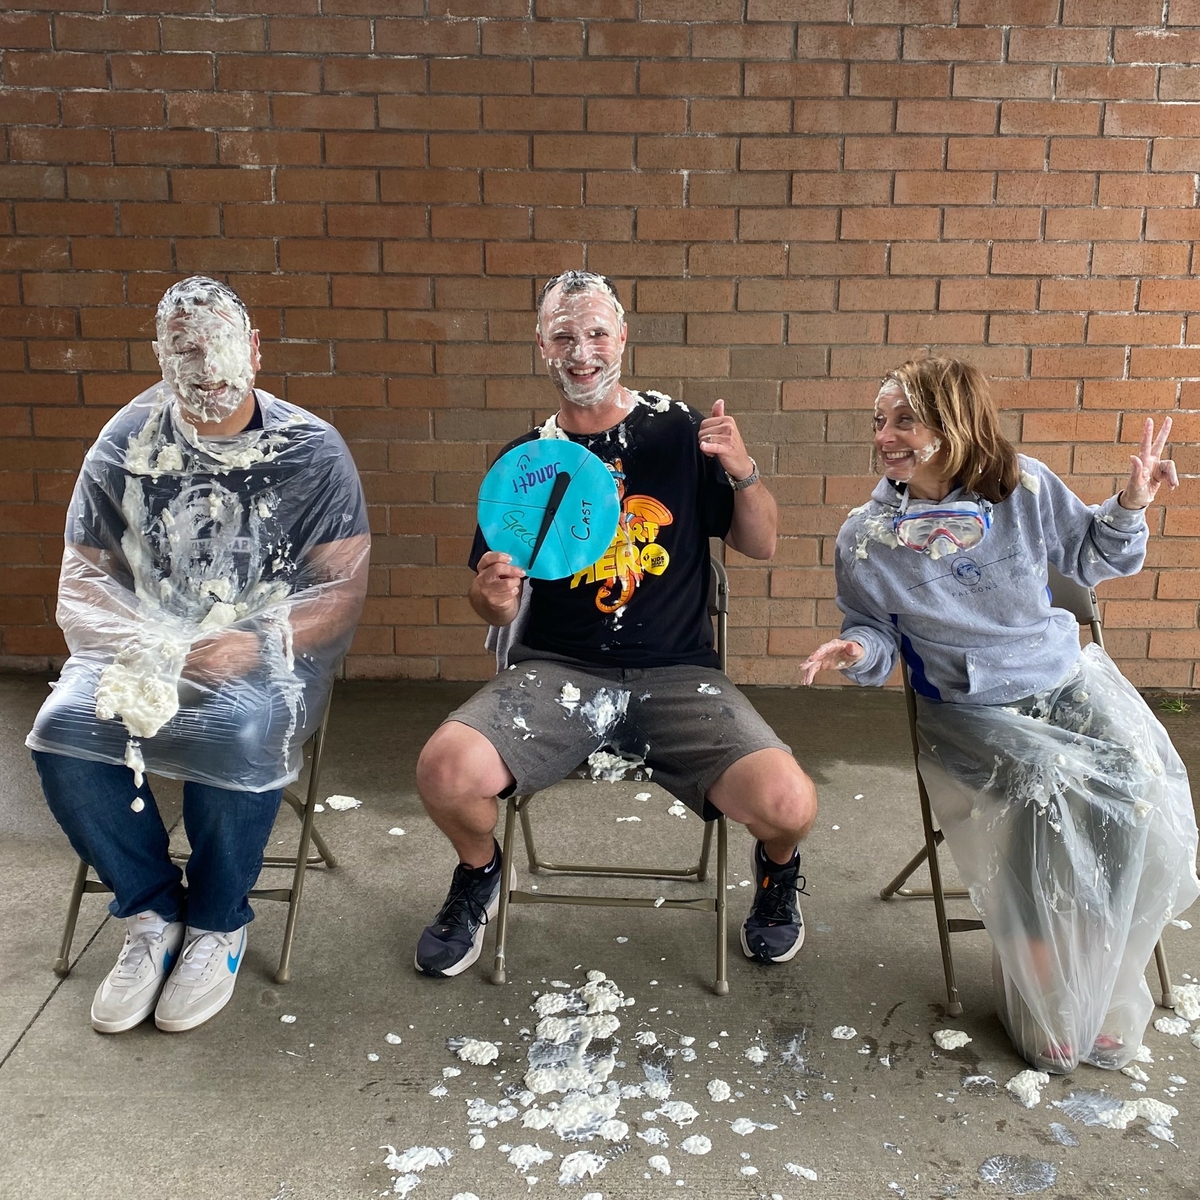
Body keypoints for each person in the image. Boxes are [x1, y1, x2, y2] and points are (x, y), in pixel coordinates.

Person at [414, 270, 818, 978]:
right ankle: (478, 874)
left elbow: (761, 543)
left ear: (623, 339)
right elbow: (492, 604)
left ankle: (775, 875)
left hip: (680, 676)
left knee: (790, 803)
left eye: (597, 333)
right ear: (542, 345)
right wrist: (496, 597)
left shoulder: (683, 431)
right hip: (555, 672)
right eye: (565, 336)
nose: (583, 352)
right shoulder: (528, 460)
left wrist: (744, 471)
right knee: (445, 772)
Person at [802, 355, 1199, 1072]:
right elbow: (876, 632)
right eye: (878, 421)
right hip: (970, 711)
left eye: (904, 420)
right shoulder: (866, 537)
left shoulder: (1024, 486)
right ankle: (1045, 978)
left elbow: (1088, 557)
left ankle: (1100, 973)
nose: (884, 436)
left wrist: (1131, 504)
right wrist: (855, 652)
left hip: (1063, 682)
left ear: (953, 425)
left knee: (1138, 788)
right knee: (1047, 790)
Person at [27, 276, 370, 1034]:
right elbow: (80, 580)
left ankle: (218, 923)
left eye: (220, 346)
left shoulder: (309, 450)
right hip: (144, 647)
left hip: (263, 655)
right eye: (185, 349)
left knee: (237, 730)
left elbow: (340, 589)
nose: (207, 367)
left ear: (254, 349)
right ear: (161, 358)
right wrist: (146, 643)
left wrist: (256, 641)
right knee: (61, 732)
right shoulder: (126, 441)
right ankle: (151, 910)